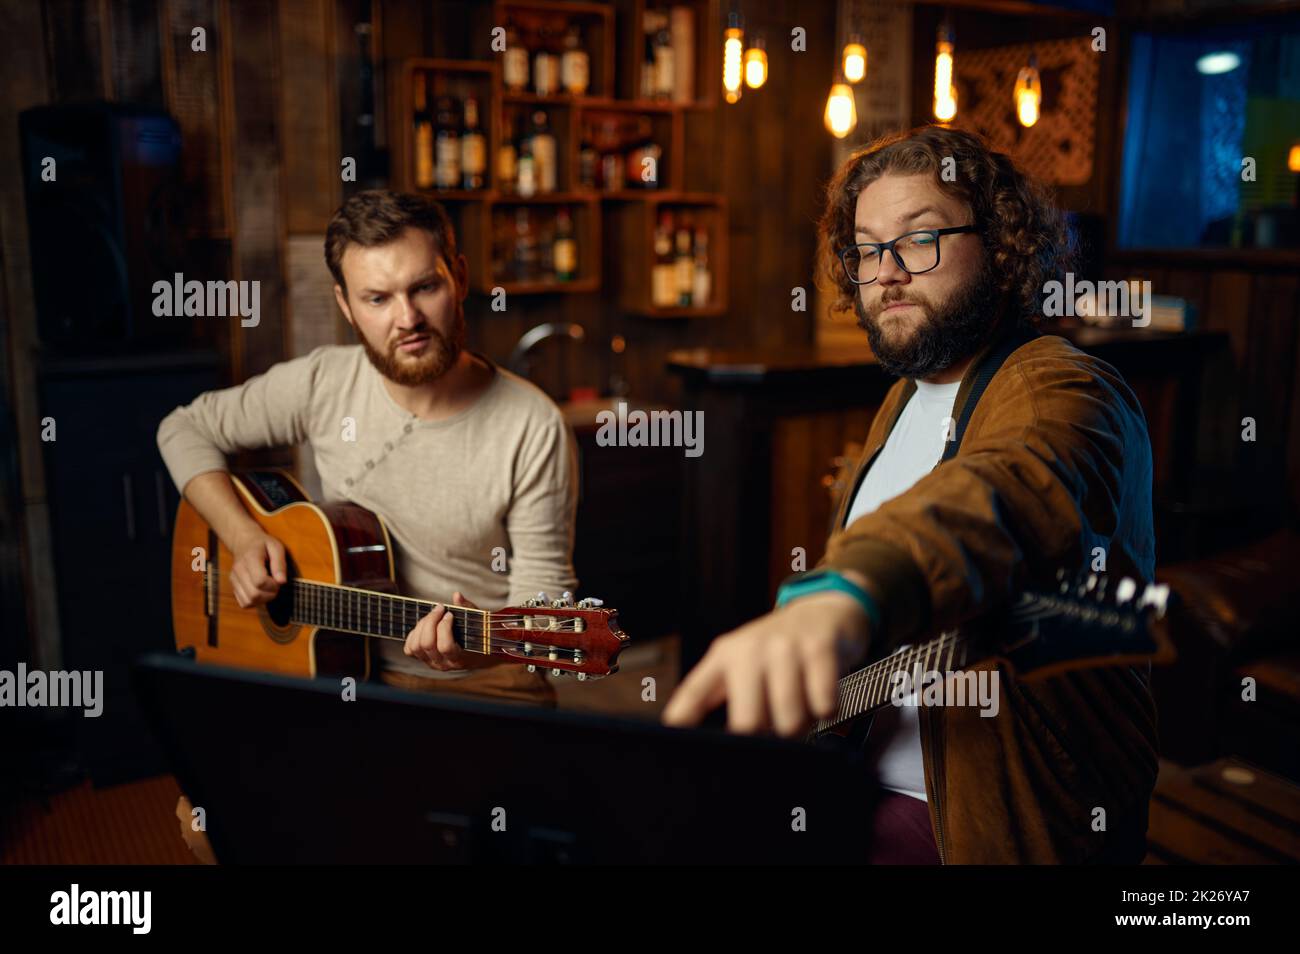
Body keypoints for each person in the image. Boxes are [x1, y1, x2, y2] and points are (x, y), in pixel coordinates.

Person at [663, 125, 1159, 865]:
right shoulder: (903, 398)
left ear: (998, 245)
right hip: (863, 776)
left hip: (991, 822)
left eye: (919, 239)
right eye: (866, 248)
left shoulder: (1063, 385)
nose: (887, 272)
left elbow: (1004, 490)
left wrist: (845, 593)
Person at [158, 190, 579, 860]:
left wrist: (480, 649)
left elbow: (550, 611)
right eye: (377, 299)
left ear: (460, 278)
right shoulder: (325, 382)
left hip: (486, 685)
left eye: (424, 288)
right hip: (340, 672)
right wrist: (243, 537)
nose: (406, 318)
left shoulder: (530, 425)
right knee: (208, 819)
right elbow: (183, 428)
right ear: (345, 306)